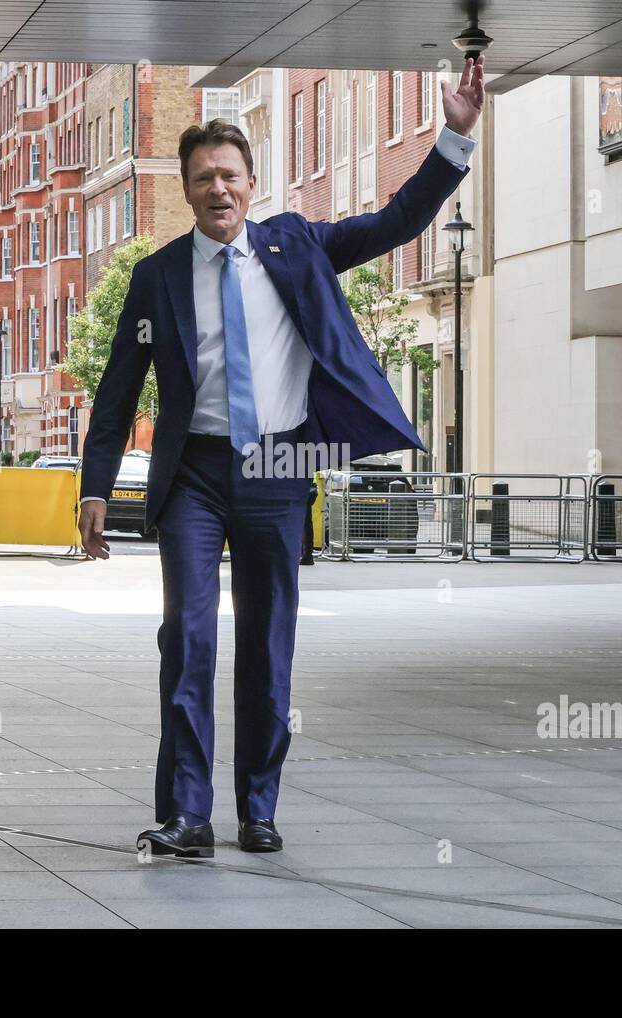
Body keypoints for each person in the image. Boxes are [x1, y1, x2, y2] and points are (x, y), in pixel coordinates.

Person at [79, 57, 485, 858]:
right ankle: (188, 817)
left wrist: (454, 138)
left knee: (266, 646)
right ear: (189, 190)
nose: (217, 189)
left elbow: (397, 222)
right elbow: (118, 390)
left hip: (274, 472)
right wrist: (95, 487)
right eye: (203, 178)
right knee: (188, 640)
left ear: (250, 181)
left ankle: (257, 806)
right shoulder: (156, 277)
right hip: (192, 474)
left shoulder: (296, 246)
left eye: (229, 175)